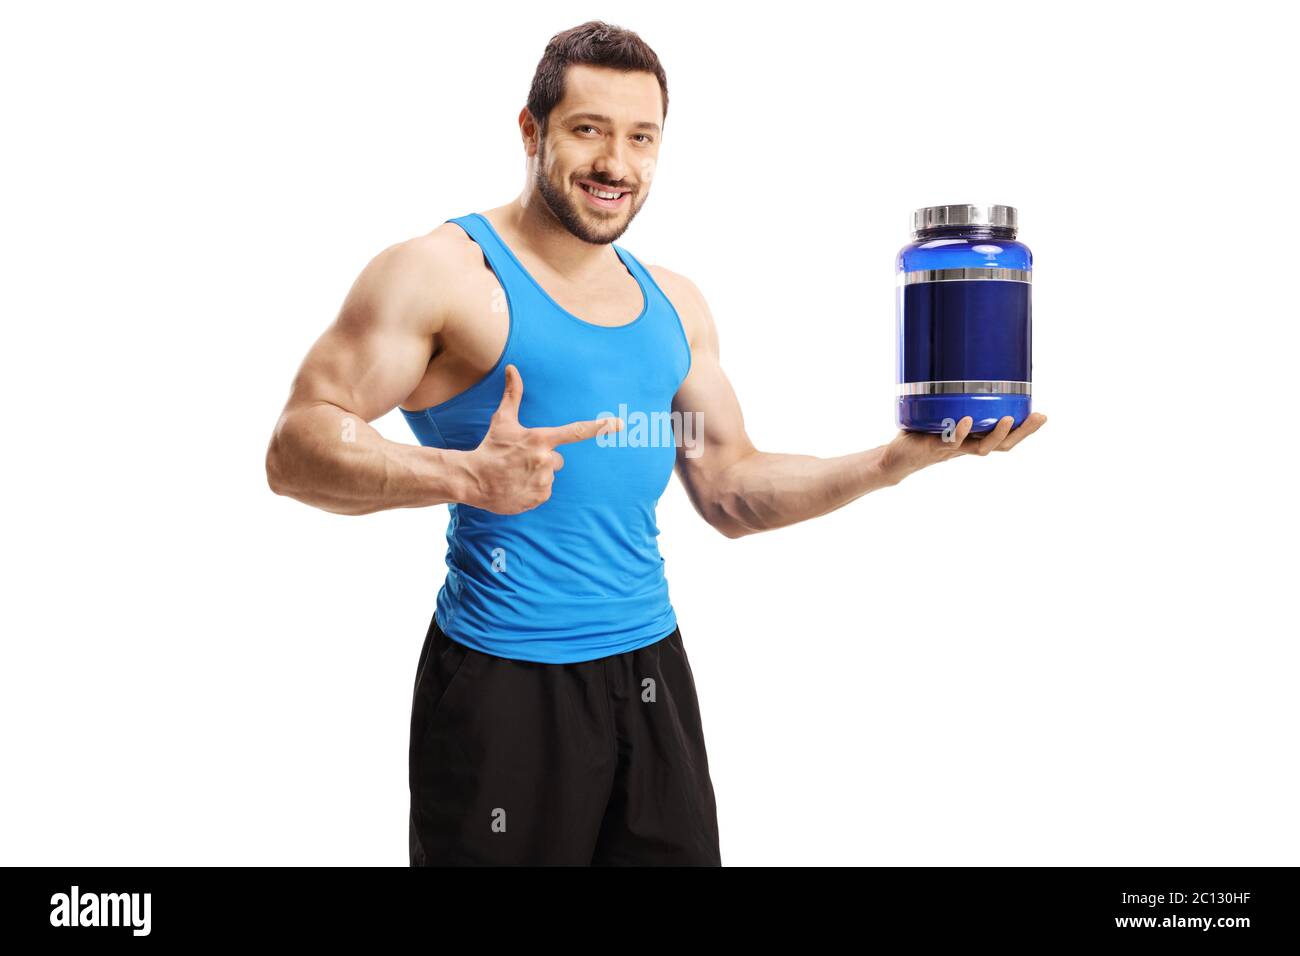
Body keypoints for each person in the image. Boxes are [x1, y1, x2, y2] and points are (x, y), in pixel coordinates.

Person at [264, 20, 1046, 866]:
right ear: (531, 132)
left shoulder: (674, 305)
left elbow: (733, 489)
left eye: (641, 137)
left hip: (649, 673)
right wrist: (462, 475)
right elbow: (298, 444)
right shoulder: (442, 274)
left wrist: (890, 464)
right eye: (588, 130)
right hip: (502, 683)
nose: (615, 163)